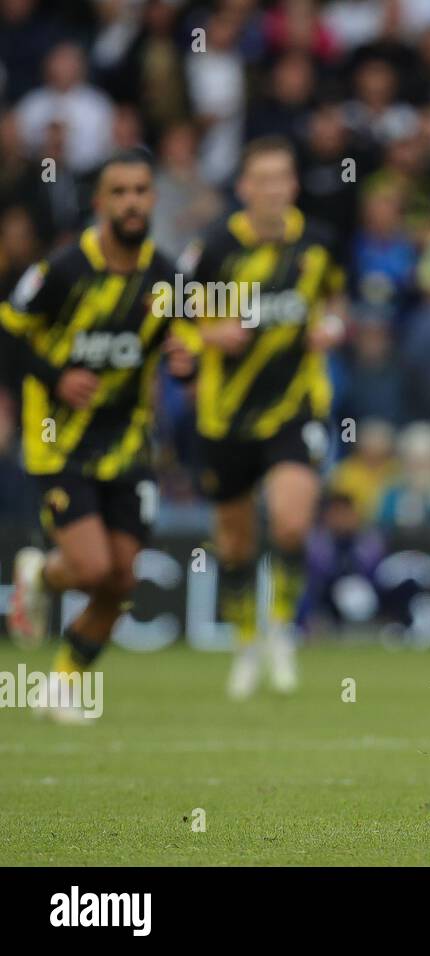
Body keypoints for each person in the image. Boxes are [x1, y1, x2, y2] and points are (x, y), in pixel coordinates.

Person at [2, 148, 199, 721]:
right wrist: (56, 377)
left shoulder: (165, 278)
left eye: (141, 190)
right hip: (59, 442)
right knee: (89, 570)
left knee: (120, 579)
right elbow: (11, 334)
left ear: (152, 199)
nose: (132, 202)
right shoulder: (62, 271)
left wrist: (186, 360)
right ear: (100, 203)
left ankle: (62, 685)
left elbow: (179, 347)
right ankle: (42, 570)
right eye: (120, 192)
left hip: (130, 443)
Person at [178, 136, 348, 699]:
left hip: (294, 407)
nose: (274, 189)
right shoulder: (216, 248)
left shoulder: (317, 244)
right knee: (234, 543)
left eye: (282, 178)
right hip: (224, 416)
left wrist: (333, 326)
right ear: (245, 188)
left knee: (293, 522)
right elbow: (171, 312)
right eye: (263, 179)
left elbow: (335, 301)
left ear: (292, 185)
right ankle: (246, 642)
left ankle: (281, 631)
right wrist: (209, 333)